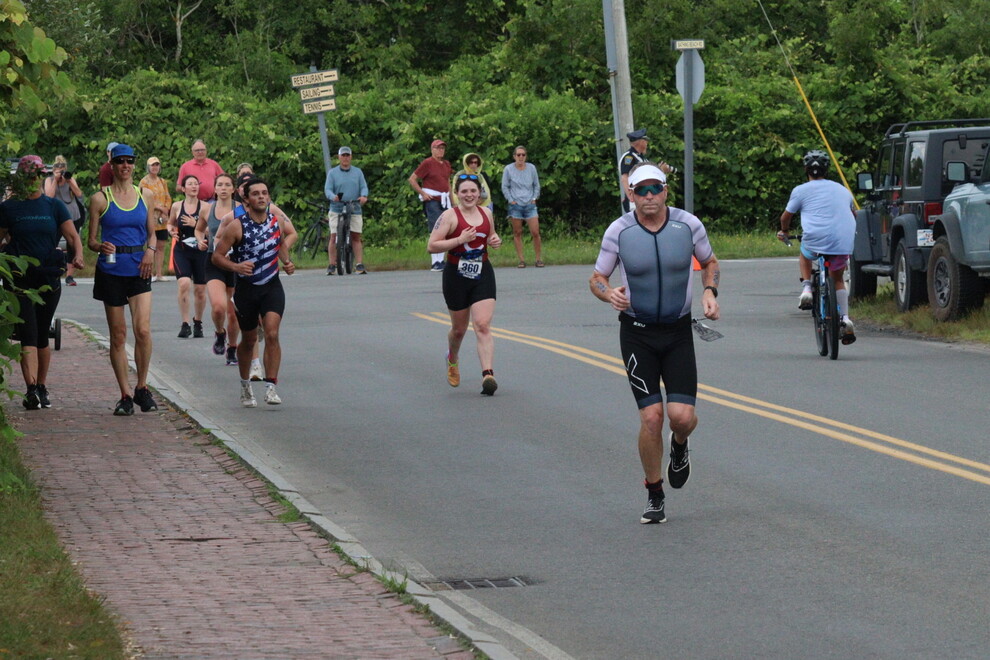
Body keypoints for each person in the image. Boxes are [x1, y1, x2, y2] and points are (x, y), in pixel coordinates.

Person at [589, 163, 720, 524]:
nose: (649, 197)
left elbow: (709, 261)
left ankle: (680, 446)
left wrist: (709, 291)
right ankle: (654, 493)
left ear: (665, 190)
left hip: (677, 332)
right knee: (652, 418)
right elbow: (598, 277)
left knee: (681, 418)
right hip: (637, 333)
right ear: (630, 193)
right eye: (640, 190)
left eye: (655, 189)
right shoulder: (620, 231)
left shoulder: (688, 225)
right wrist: (608, 294)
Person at [0, 155, 85, 409]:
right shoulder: (9, 207)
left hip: (47, 277)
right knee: (28, 332)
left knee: (42, 335)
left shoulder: (53, 206)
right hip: (19, 278)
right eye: (28, 175)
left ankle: (41, 387)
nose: (33, 179)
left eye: (37, 175)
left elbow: (72, 235)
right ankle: (30, 389)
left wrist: (78, 255)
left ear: (41, 177)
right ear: (22, 178)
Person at [211, 177, 297, 407]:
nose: (261, 196)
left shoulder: (277, 222)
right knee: (248, 340)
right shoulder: (236, 226)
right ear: (246, 200)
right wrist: (236, 267)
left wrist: (287, 263)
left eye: (264, 193)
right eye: (256, 193)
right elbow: (217, 256)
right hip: (246, 290)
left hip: (272, 286)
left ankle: (271, 387)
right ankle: (245, 385)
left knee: (271, 333)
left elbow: (279, 246)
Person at [87, 144, 159, 416]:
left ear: (134, 165)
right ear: (112, 166)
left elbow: (152, 233)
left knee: (142, 330)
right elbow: (92, 240)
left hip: (139, 267)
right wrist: (99, 246)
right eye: (120, 162)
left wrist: (150, 253)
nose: (125, 166)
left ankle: (142, 387)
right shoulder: (100, 199)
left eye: (129, 161)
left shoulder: (146, 195)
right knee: (118, 335)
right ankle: (125, 394)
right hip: (112, 270)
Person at [427, 173, 503, 395]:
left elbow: (491, 235)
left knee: (482, 325)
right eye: (464, 191)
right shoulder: (449, 216)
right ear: (456, 194)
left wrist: (495, 240)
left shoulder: (487, 213)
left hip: (482, 272)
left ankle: (488, 374)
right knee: (459, 330)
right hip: (456, 275)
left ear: (479, 193)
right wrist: (459, 240)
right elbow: (432, 246)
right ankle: (452, 358)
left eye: (473, 191)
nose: (469, 195)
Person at [777, 149, 858, 343]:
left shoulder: (800, 190)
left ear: (806, 170)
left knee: (805, 253)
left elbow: (786, 217)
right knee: (837, 279)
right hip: (842, 241)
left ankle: (806, 289)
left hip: (815, 239)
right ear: (827, 170)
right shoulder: (842, 189)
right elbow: (853, 214)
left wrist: (785, 231)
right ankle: (845, 319)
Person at [195, 173, 240, 364]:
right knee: (219, 308)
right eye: (219, 185)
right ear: (214, 189)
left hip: (236, 263)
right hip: (213, 261)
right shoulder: (207, 209)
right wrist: (200, 241)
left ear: (233, 189)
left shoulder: (240, 209)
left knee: (234, 312)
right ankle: (220, 333)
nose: (223, 188)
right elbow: (198, 229)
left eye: (227, 185)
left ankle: (232, 348)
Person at [167, 175, 208, 338]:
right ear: (183, 188)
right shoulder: (177, 206)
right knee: (184, 284)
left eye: (196, 184)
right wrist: (170, 231)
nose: (194, 186)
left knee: (200, 290)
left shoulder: (206, 207)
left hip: (201, 251)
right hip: (182, 250)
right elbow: (170, 223)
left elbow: (214, 230)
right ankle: (185, 324)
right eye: (190, 184)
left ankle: (198, 322)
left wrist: (195, 225)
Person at [408, 139, 452, 271]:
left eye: (442, 148)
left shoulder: (446, 164)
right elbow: (412, 179)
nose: (440, 151)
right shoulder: (428, 163)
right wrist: (423, 193)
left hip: (444, 199)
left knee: (445, 229)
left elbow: (447, 182)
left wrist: (452, 201)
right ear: (432, 149)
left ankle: (441, 260)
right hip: (432, 198)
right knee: (436, 228)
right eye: (438, 148)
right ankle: (435, 261)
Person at [323, 146, 369, 275]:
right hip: (336, 207)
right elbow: (328, 190)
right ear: (338, 157)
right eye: (343, 155)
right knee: (333, 236)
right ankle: (332, 264)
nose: (345, 158)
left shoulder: (358, 172)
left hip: (354, 207)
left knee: (356, 236)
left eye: (347, 155)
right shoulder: (332, 173)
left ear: (351, 157)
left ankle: (359, 264)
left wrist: (363, 196)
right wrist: (333, 197)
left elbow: (363, 187)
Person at [43, 155, 85, 285]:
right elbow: (48, 196)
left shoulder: (69, 179)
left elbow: (79, 194)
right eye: (58, 169)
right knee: (51, 242)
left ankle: (69, 276)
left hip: (72, 215)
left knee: (72, 243)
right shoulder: (49, 180)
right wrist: (55, 180)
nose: (61, 172)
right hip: (56, 216)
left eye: (63, 169)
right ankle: (50, 270)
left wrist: (70, 182)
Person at [501, 145, 543, 268]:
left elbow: (536, 185)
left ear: (526, 156)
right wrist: (511, 200)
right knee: (517, 232)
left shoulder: (531, 168)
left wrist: (534, 198)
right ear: (514, 156)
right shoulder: (508, 169)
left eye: (523, 155)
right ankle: (521, 260)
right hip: (515, 205)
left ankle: (538, 259)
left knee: (535, 232)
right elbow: (505, 186)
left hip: (530, 204)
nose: (520, 157)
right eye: (518, 155)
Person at [618, 129, 675, 213]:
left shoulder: (642, 158)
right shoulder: (629, 157)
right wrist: (631, 197)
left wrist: (659, 170)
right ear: (640, 142)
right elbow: (625, 178)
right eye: (645, 141)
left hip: (644, 196)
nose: (647, 143)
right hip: (636, 199)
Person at [139, 156, 173, 282]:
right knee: (151, 245)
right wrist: (158, 207)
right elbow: (143, 198)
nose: (155, 167)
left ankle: (159, 273)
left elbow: (167, 197)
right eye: (153, 165)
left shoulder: (162, 181)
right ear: (148, 167)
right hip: (150, 216)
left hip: (162, 218)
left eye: (157, 165)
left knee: (161, 245)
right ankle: (150, 272)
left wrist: (166, 210)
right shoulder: (144, 182)